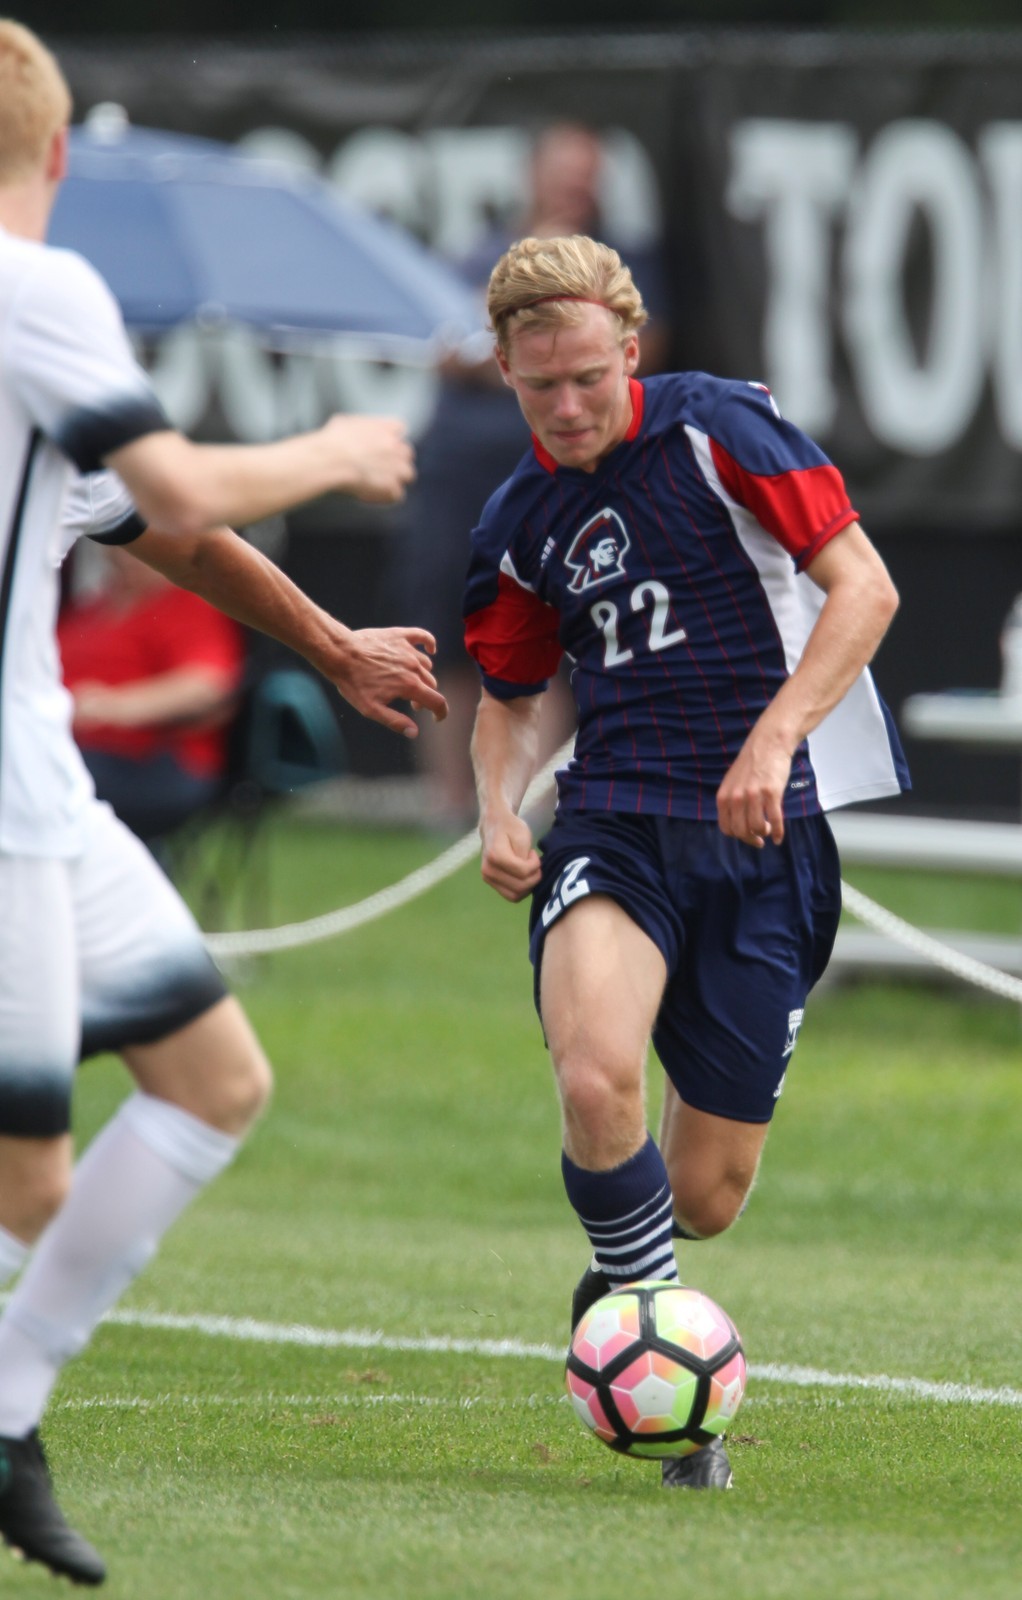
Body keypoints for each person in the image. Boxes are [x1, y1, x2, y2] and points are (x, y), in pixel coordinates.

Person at [0, 19, 446, 1586]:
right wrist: (330, 446)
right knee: (27, 1174)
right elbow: (186, 496)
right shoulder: (33, 289)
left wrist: (323, 641)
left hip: (44, 791)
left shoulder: (30, 342)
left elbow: (153, 530)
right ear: (57, 158)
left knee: (208, 1078)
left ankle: (5, 1413)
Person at [465, 234, 908, 1492]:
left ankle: (622, 1278)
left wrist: (772, 742)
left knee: (704, 1191)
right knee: (597, 1078)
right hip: (614, 822)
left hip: (765, 836)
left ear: (630, 350)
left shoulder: (723, 434)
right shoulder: (517, 519)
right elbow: (512, 691)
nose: (565, 408)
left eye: (588, 380)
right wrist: (502, 806)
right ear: (501, 368)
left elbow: (860, 589)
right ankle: (675, 1395)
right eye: (538, 384)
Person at [396, 122, 673, 827]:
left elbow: (644, 351)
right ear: (532, 175)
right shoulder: (482, 256)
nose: (576, 188)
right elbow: (442, 346)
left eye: (588, 175)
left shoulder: (619, 263)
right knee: (448, 633)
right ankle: (449, 807)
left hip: (562, 475)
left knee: (549, 635)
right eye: (564, 173)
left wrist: (523, 364)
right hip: (459, 470)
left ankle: (533, 807)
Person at [58, 545, 246, 848]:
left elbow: (208, 686)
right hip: (74, 747)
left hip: (153, 762)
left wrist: (111, 706)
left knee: (38, 776)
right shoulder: (93, 606)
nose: (128, 556)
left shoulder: (187, 606)